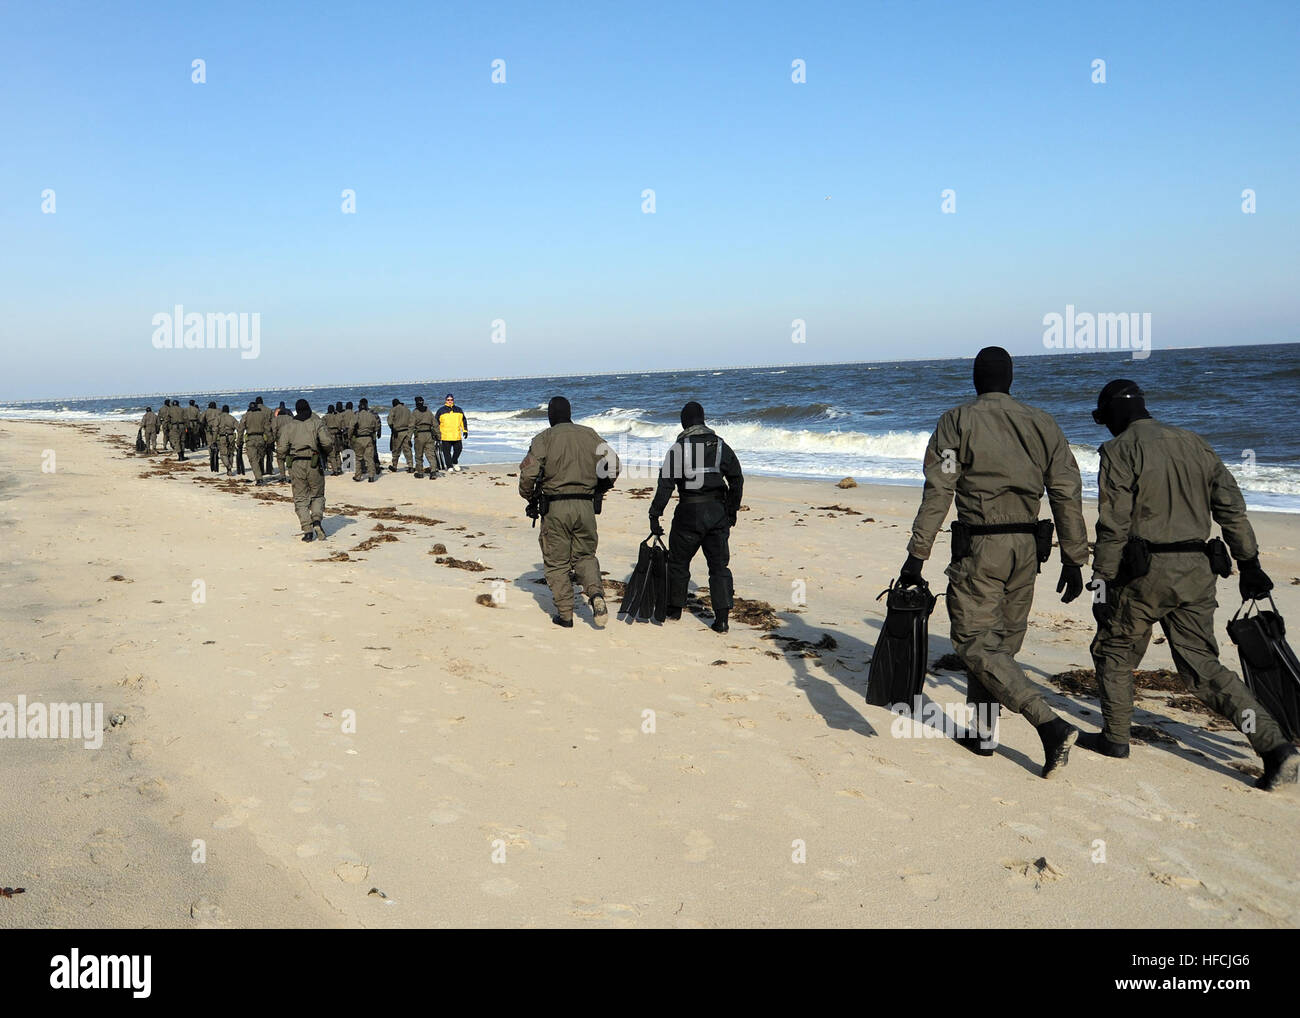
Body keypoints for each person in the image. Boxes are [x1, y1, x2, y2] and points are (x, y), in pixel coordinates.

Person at [1084, 380, 1299, 790]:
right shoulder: (1195, 443)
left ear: (1113, 414)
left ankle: (1114, 739)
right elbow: (1231, 508)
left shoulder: (1119, 450)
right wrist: (1249, 563)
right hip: (1198, 570)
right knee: (1202, 669)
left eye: (1104, 419)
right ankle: (1274, 747)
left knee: (1113, 649)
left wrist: (1102, 580)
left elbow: (1113, 523)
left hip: (1144, 575)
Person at [901, 346, 1089, 778]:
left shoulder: (958, 420)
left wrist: (917, 554)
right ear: (1010, 379)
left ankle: (1050, 724)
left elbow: (940, 490)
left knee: (973, 643)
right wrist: (1074, 558)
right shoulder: (1043, 423)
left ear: (975, 378)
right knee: (998, 646)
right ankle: (985, 735)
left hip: (981, 547)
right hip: (1027, 549)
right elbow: (1065, 490)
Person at [518, 396, 620, 628]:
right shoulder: (590, 434)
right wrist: (600, 488)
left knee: (556, 563)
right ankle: (596, 596)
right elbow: (614, 464)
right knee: (585, 556)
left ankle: (565, 615)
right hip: (585, 506)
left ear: (550, 416)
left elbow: (528, 475)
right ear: (570, 413)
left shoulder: (544, 438)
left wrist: (530, 497)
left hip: (556, 507)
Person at [648, 401, 744, 633]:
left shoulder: (678, 448)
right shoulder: (720, 445)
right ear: (703, 420)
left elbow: (665, 485)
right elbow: (737, 479)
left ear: (684, 422)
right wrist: (731, 511)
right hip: (717, 514)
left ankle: (674, 609)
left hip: (688, 514)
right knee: (719, 567)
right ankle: (721, 620)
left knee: (679, 563)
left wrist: (655, 514)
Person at [277, 398, 333, 542]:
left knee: (300, 498)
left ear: (296, 410)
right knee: (317, 495)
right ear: (309, 408)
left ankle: (307, 531)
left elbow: (281, 449)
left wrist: (284, 457)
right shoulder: (317, 422)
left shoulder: (289, 426)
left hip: (296, 464)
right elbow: (327, 442)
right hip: (314, 462)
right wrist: (326, 452)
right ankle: (316, 521)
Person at [238, 399, 273, 485]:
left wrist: (239, 441)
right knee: (260, 457)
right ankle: (260, 474)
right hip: (261, 439)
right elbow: (267, 429)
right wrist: (270, 441)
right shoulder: (262, 415)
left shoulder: (245, 415)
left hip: (250, 439)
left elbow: (240, 429)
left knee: (253, 460)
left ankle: (259, 478)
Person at [437, 393, 469, 471]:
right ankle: (449, 466)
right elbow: (436, 423)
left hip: (456, 434)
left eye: (451, 400)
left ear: (453, 400)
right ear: (446, 400)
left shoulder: (459, 409)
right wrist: (436, 433)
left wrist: (465, 430)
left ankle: (454, 462)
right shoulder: (441, 410)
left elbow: (463, 420)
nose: (450, 401)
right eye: (448, 400)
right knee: (446, 452)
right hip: (445, 435)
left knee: (459, 449)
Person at [410, 396, 440, 478]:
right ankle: (433, 471)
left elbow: (411, 426)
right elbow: (435, 424)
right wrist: (438, 436)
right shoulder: (429, 412)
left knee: (419, 455)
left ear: (416, 403)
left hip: (419, 435)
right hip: (429, 435)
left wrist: (408, 438)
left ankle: (420, 472)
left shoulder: (415, 412)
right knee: (430, 454)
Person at [352, 398, 381, 482]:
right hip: (370, 437)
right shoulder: (372, 414)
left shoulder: (356, 414)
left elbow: (351, 426)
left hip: (359, 438)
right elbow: (377, 425)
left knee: (358, 458)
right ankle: (372, 475)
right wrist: (376, 433)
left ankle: (358, 475)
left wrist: (351, 436)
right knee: (371, 456)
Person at [387, 398, 413, 472]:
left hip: (397, 432)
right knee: (407, 449)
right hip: (407, 432)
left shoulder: (393, 409)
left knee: (396, 450)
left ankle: (394, 466)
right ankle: (410, 465)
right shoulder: (407, 410)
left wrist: (392, 429)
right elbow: (411, 421)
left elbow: (390, 422)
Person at [216, 404, 238, 474]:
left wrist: (214, 440)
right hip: (231, 436)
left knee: (223, 454)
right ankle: (230, 467)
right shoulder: (232, 418)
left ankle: (228, 466)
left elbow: (214, 429)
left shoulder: (218, 418)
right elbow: (238, 428)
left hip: (222, 437)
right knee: (231, 453)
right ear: (228, 410)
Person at [322, 404, 343, 475]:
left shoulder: (325, 417)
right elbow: (341, 425)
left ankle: (335, 470)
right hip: (338, 435)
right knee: (338, 452)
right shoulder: (337, 416)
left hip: (330, 436)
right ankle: (339, 468)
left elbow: (323, 427)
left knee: (332, 454)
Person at [338, 401, 357, 475]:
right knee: (352, 449)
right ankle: (352, 466)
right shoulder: (354, 414)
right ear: (352, 407)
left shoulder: (342, 414)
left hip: (344, 433)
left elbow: (340, 424)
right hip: (353, 434)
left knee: (345, 449)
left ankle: (347, 466)